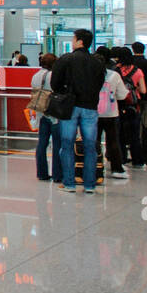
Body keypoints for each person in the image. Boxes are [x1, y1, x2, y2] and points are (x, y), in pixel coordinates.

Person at [51, 29, 105, 194]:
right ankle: (89, 184)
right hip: (90, 107)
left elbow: (55, 82)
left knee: (67, 145)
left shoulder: (66, 59)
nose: (72, 41)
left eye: (74, 39)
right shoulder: (97, 62)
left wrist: (65, 92)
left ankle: (69, 183)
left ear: (80, 41)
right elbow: (100, 83)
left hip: (70, 106)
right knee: (90, 146)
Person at [92, 48, 129, 181]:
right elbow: (122, 94)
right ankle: (117, 169)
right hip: (111, 113)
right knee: (113, 141)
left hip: (92, 113)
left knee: (93, 140)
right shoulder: (114, 75)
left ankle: (95, 167)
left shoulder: (88, 75)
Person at [115, 47, 147, 169]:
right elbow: (143, 90)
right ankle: (138, 160)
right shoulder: (138, 71)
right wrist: (134, 89)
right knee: (135, 135)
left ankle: (122, 158)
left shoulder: (116, 71)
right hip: (133, 106)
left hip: (119, 105)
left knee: (120, 134)